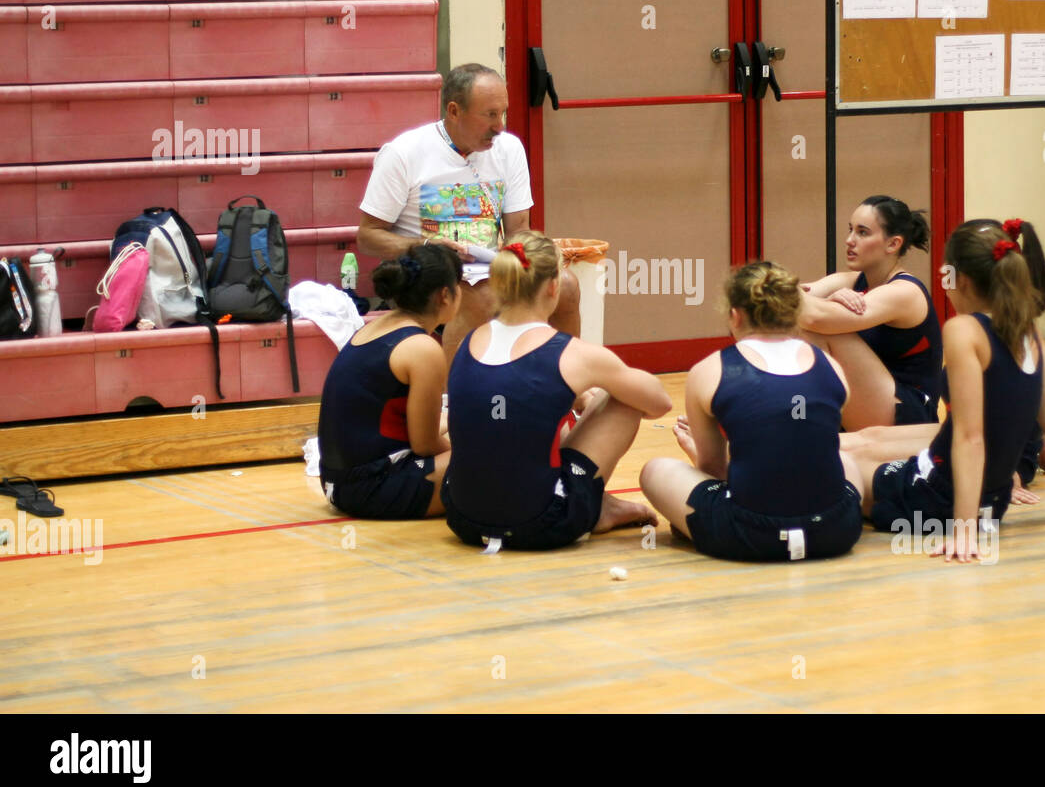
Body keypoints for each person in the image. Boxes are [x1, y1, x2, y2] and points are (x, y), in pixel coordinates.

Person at [844, 220, 1045, 562]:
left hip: (932, 497)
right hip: (992, 504)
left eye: (947, 274)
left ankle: (800, 526)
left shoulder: (964, 331)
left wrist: (963, 531)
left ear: (962, 280)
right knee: (864, 439)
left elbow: (970, 437)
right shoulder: (1029, 333)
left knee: (840, 460)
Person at [441, 231, 670, 551]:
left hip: (462, 518)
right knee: (620, 398)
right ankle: (593, 506)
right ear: (553, 287)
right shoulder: (573, 353)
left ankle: (590, 500)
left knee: (526, 418)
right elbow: (659, 403)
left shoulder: (469, 340)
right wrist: (600, 385)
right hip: (541, 523)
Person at [639, 262, 865, 562]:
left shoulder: (710, 370)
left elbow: (713, 470)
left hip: (749, 537)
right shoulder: (830, 365)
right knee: (844, 458)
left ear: (734, 315)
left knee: (654, 470)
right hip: (835, 531)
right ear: (794, 313)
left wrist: (703, 459)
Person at [356, 62, 579, 358]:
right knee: (482, 297)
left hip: (489, 267)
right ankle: (454, 399)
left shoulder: (509, 149)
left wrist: (537, 257)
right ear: (454, 111)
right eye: (489, 115)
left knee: (564, 285)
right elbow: (368, 236)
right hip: (427, 272)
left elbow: (517, 232)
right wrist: (427, 245)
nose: (499, 126)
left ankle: (564, 389)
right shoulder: (404, 153)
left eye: (502, 113)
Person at [316, 243, 462, 519]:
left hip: (340, 483)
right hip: (372, 487)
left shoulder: (376, 327)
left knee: (464, 424)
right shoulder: (422, 347)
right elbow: (426, 445)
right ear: (446, 294)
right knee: (497, 453)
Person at [799, 195, 943, 430]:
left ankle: (808, 424)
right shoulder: (851, 280)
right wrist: (821, 300)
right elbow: (780, 298)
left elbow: (815, 318)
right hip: (872, 402)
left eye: (862, 232)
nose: (849, 241)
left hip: (908, 412)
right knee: (786, 321)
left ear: (893, 244)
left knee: (822, 330)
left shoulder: (905, 292)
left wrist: (822, 307)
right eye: (850, 230)